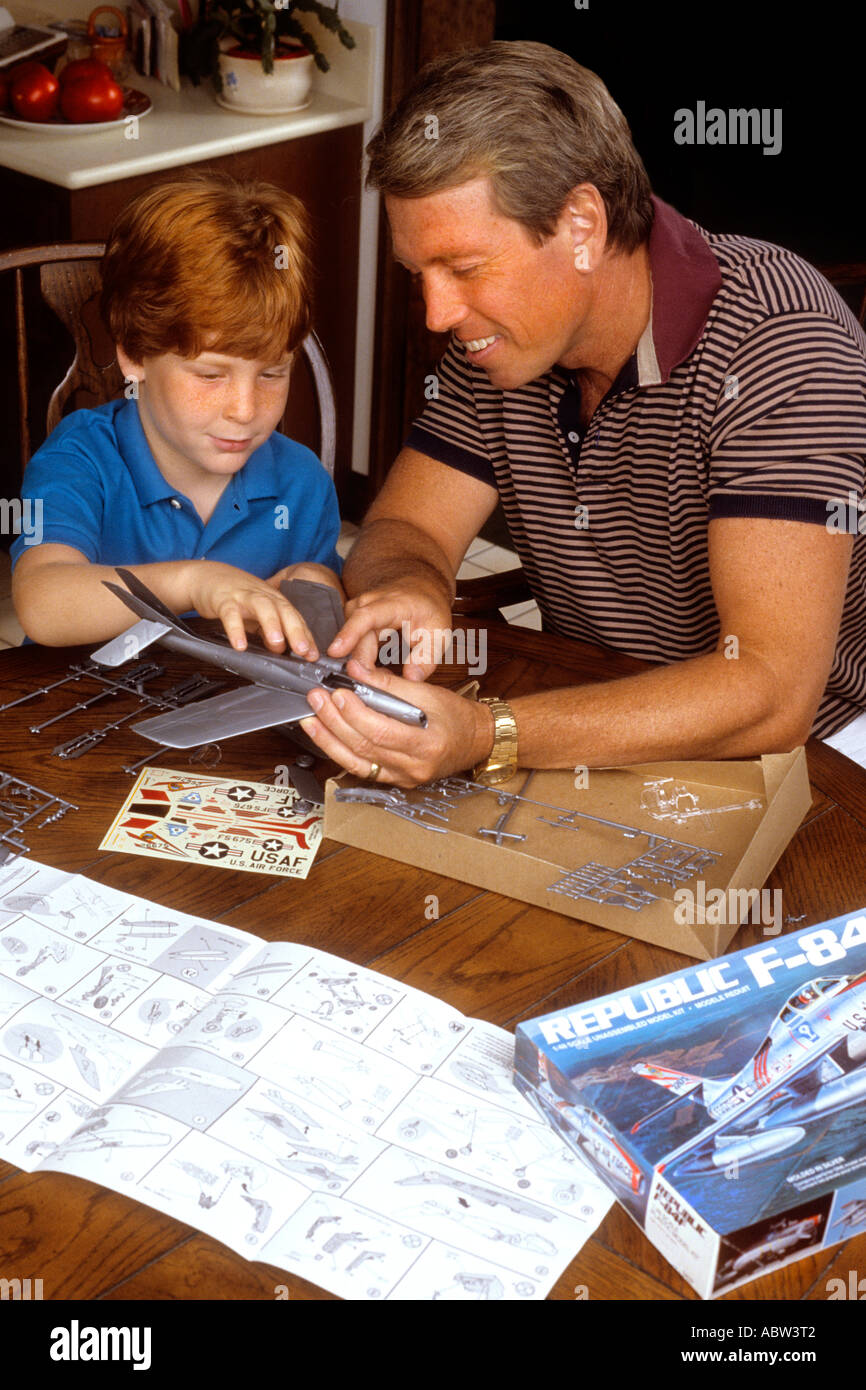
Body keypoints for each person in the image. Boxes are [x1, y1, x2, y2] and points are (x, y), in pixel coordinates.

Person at [299, 41, 866, 787]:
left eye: (465, 268)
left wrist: (487, 731)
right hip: (589, 733)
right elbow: (407, 528)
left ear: (582, 227)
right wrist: (413, 583)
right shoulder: (504, 344)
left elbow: (768, 692)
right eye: (420, 275)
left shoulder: (781, 341)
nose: (437, 313)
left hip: (811, 767)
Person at [12, 172, 342, 660]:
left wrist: (315, 586)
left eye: (273, 374)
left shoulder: (300, 481)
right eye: (210, 375)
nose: (245, 411)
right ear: (134, 355)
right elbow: (42, 601)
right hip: (82, 716)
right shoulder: (79, 458)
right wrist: (194, 583)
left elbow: (322, 600)